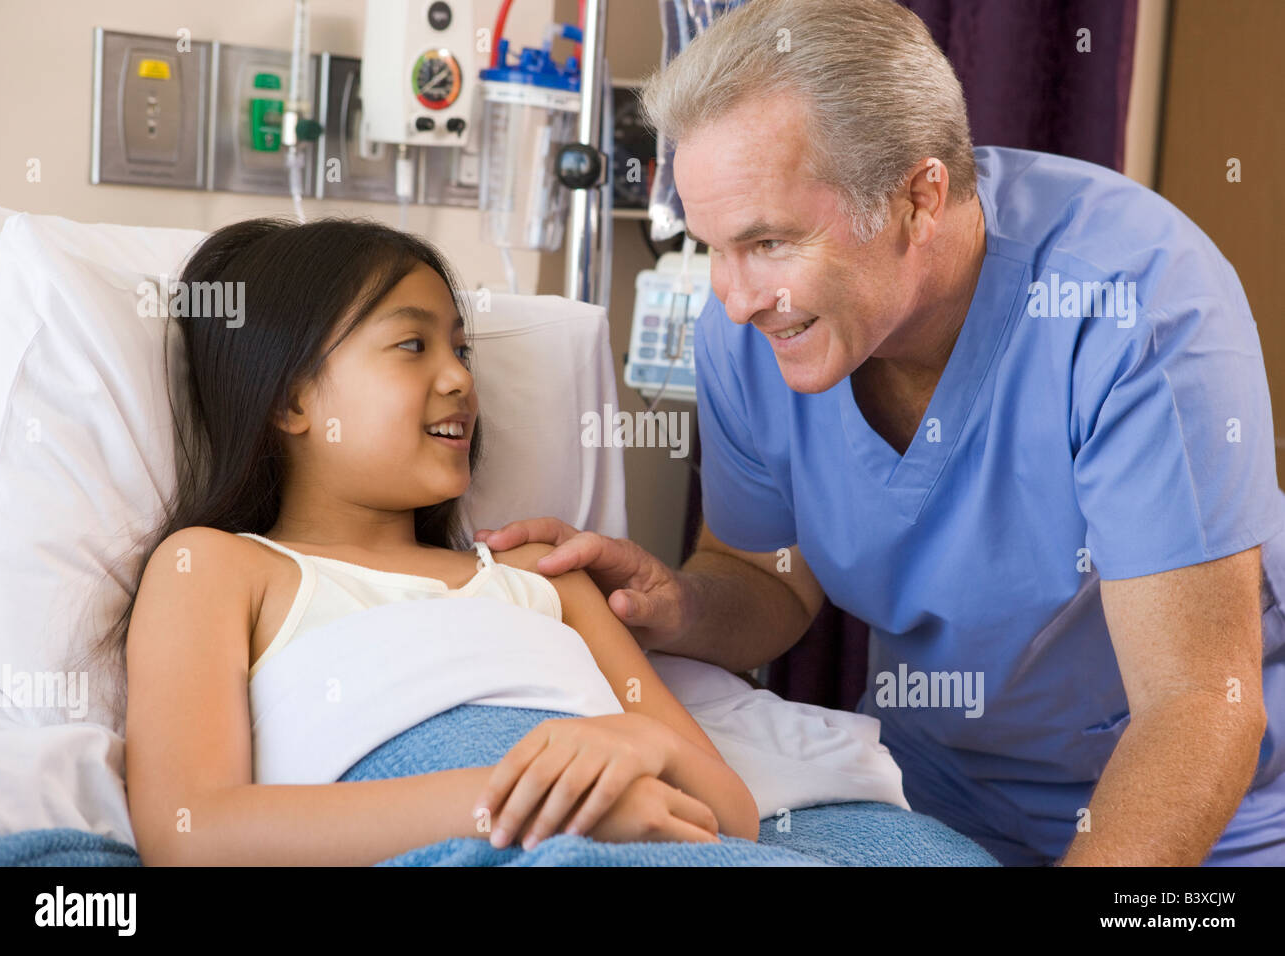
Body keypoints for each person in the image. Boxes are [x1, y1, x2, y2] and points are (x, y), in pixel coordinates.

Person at [477, 0, 1285, 865]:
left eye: (770, 241)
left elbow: (1199, 704)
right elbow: (768, 576)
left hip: (1198, 823)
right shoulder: (748, 335)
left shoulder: (1133, 307)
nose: (735, 297)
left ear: (918, 197)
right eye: (713, 245)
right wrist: (676, 605)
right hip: (922, 799)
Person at [104, 217, 771, 865]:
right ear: (293, 400)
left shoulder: (542, 576)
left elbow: (733, 816)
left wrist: (639, 743)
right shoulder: (216, 567)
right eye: (413, 346)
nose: (459, 379)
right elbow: (191, 834)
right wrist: (543, 805)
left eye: (461, 350)